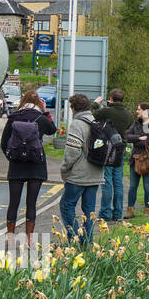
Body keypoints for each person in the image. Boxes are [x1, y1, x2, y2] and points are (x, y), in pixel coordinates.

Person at [0, 89, 56, 244]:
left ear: (22, 101)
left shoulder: (13, 118)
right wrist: (45, 112)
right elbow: (52, 130)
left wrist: (12, 157)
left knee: (14, 202)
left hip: (17, 165)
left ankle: (10, 237)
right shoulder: (41, 119)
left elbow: (3, 143)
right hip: (36, 165)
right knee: (31, 203)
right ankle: (29, 239)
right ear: (38, 103)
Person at [60, 92, 104, 244]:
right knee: (89, 212)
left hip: (79, 175)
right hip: (96, 173)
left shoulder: (77, 124)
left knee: (67, 206)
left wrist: (64, 168)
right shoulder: (95, 121)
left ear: (73, 108)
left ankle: (75, 239)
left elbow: (73, 151)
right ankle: (87, 243)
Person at [91, 89, 133, 225]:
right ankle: (118, 213)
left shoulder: (107, 111)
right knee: (118, 182)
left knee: (107, 181)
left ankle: (105, 213)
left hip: (108, 149)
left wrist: (96, 103)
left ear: (111, 99)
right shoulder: (128, 115)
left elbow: (93, 114)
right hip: (121, 149)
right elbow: (128, 126)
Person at [125, 102, 149, 216]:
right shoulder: (136, 124)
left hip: (148, 160)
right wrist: (139, 137)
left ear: (145, 112)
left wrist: (136, 140)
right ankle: (130, 210)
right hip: (135, 159)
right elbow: (126, 136)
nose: (137, 111)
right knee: (132, 186)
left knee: (147, 186)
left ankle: (148, 210)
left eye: (139, 109)